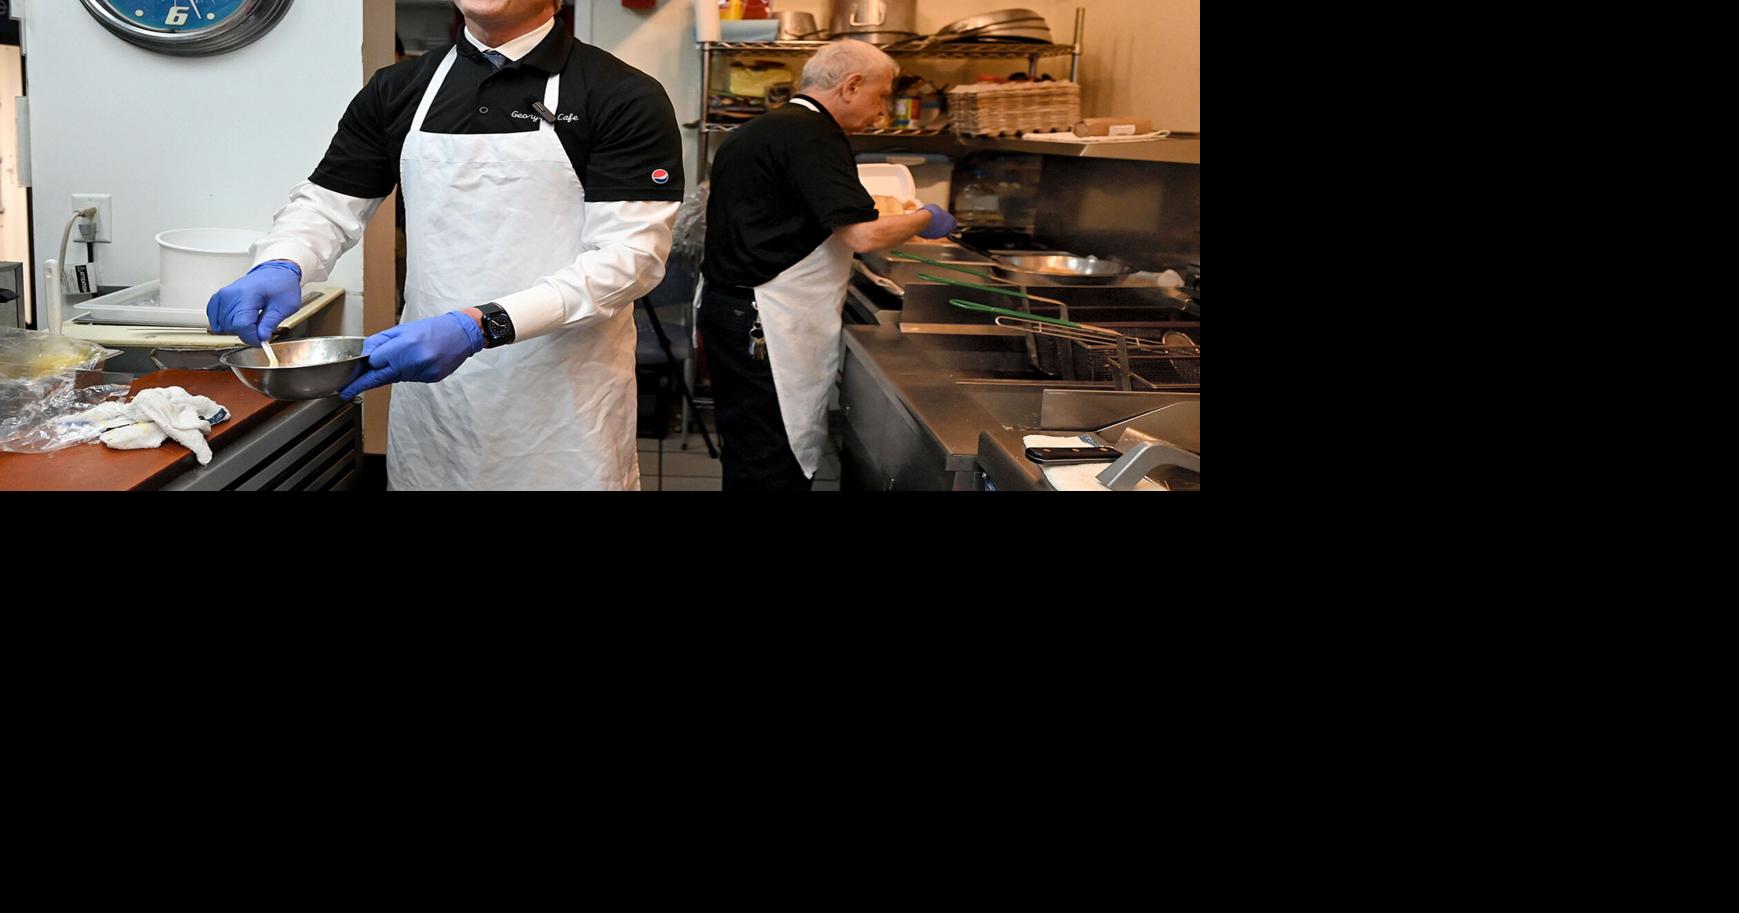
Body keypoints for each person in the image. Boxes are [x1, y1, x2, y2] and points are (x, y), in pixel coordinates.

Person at [206, 0, 683, 490]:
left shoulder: (622, 94)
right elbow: (328, 204)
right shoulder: (399, 89)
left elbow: (629, 260)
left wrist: (482, 326)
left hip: (562, 412)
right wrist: (282, 262)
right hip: (435, 408)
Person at [699, 40, 956, 491]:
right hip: (767, 322)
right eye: (881, 96)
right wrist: (925, 217)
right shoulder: (813, 135)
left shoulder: (760, 130)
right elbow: (862, 234)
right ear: (851, 86)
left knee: (750, 450)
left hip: (729, 308)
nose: (881, 111)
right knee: (773, 463)